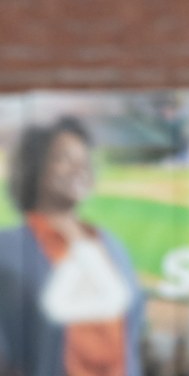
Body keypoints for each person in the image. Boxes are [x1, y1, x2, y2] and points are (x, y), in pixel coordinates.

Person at [0, 116, 146, 376]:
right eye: (64, 158)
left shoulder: (113, 248)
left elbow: (131, 335)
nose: (78, 167)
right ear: (36, 168)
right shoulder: (9, 250)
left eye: (84, 160)